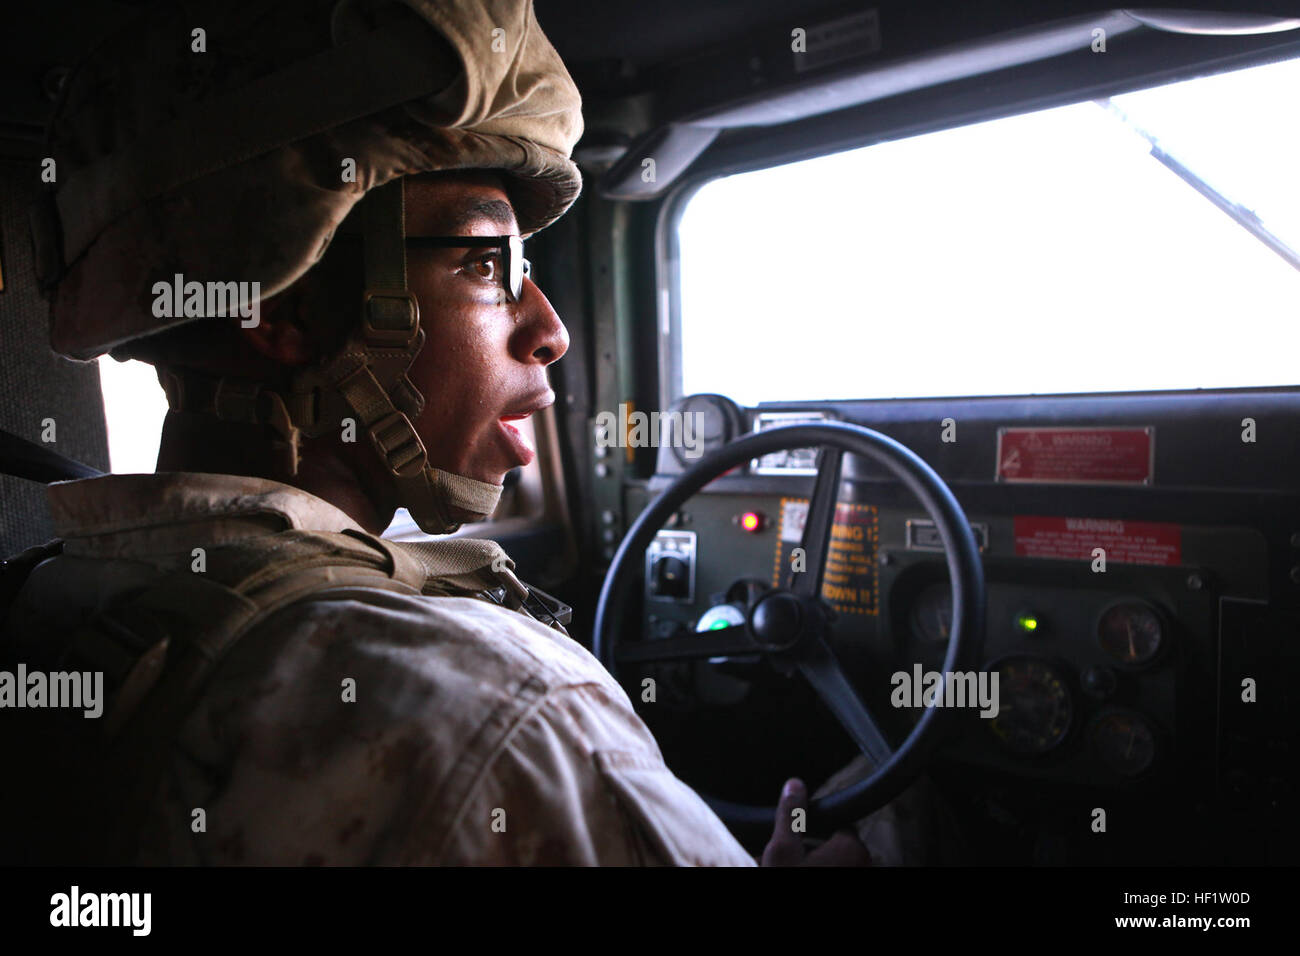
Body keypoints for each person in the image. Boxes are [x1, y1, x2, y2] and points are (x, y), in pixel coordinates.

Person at [0, 0, 872, 866]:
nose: (550, 330)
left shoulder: (52, 599)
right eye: (488, 264)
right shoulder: (507, 717)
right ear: (282, 306)